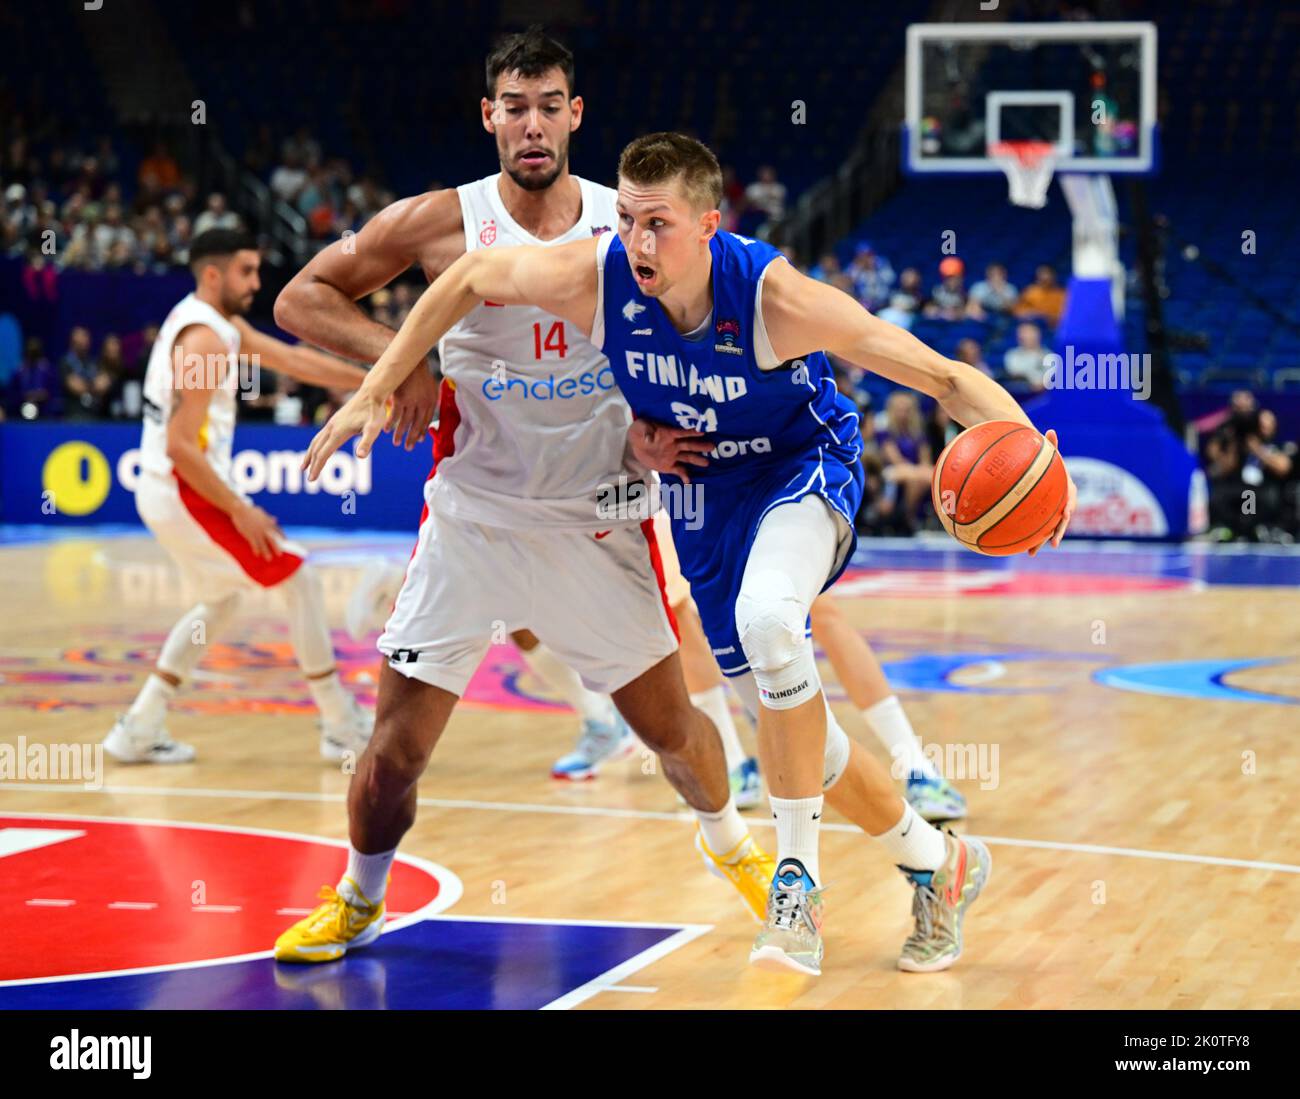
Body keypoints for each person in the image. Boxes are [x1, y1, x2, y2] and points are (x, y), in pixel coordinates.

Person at [306, 131, 1078, 976]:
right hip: (705, 498)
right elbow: (468, 276)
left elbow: (944, 378)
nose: (638, 242)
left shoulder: (775, 296)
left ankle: (796, 893)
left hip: (803, 468)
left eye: (659, 224)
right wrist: (384, 378)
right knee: (802, 744)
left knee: (771, 623)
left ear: (708, 225)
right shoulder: (595, 273)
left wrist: (1038, 460)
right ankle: (940, 862)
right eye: (629, 220)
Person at [271, 30, 775, 965]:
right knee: (394, 750)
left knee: (672, 733)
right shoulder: (438, 221)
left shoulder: (631, 222)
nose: (532, 123)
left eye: (550, 104)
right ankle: (359, 894)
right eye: (515, 105)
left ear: (575, 115)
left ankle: (737, 851)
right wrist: (409, 358)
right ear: (489, 117)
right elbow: (300, 299)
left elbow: (695, 324)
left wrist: (658, 425)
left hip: (603, 516)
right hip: (475, 519)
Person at [101, 229, 376, 764]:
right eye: (246, 271)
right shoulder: (202, 340)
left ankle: (139, 725)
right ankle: (340, 723)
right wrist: (240, 509)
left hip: (177, 488)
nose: (256, 282)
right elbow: (182, 447)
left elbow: (297, 363)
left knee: (220, 603)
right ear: (212, 274)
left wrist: (377, 381)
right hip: (183, 486)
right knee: (299, 577)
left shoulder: (220, 327)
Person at [1003, 321, 1050, 390]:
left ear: (1038, 334)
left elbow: (1051, 378)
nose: (1027, 336)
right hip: (1020, 393)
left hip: (1044, 394)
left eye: (1030, 332)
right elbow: (1015, 375)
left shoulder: (1049, 355)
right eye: (1023, 333)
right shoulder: (1012, 355)